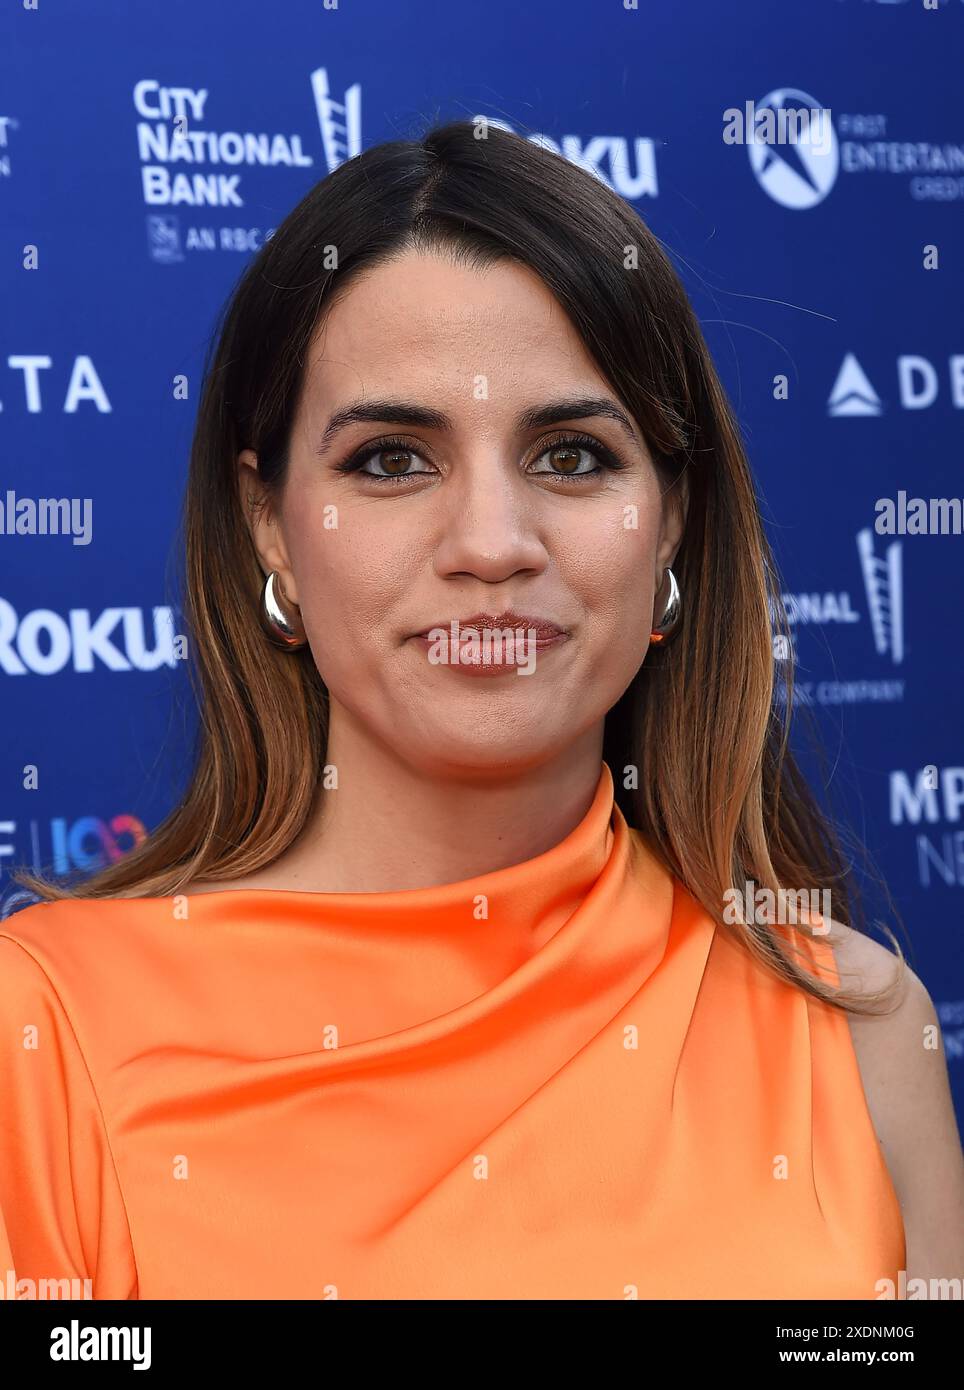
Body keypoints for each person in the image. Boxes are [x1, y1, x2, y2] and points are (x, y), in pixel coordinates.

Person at [2, 120, 962, 1301]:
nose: (493, 544)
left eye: (570, 456)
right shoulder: (44, 1032)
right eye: (391, 460)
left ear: (669, 519)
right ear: (269, 527)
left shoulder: (857, 1026)